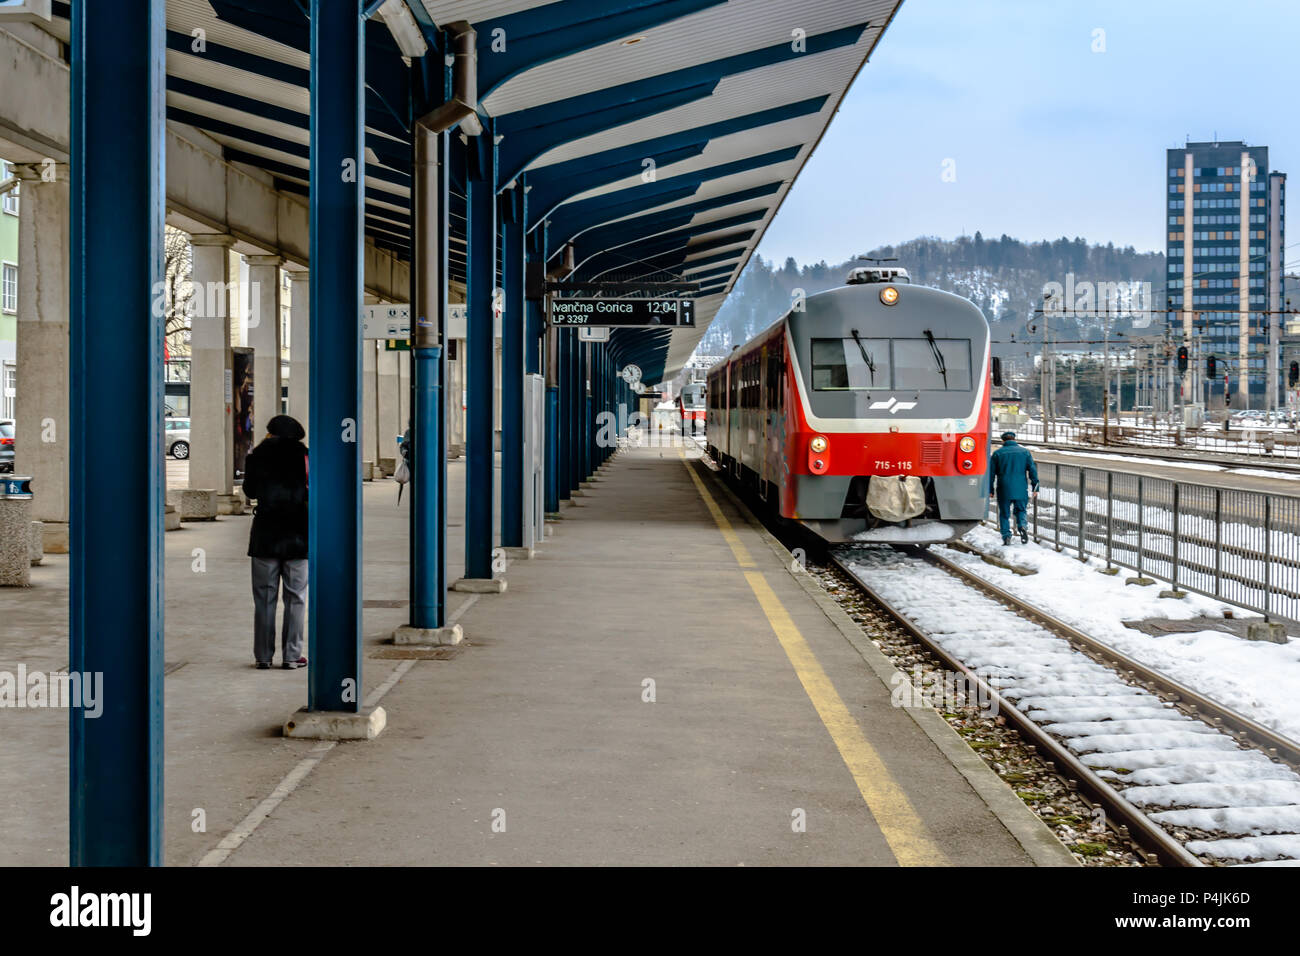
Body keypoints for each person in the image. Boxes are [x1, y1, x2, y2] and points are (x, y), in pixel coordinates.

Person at [242, 414, 309, 670]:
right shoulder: (306, 457)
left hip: (265, 535)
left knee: (264, 598)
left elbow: (250, 491)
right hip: (298, 535)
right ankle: (292, 656)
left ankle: (263, 656)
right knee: (296, 598)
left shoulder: (256, 456)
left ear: (271, 432)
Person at [989, 430, 1039, 546]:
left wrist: (990, 490)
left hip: (1004, 489)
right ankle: (1022, 526)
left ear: (1003, 441)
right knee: (1021, 510)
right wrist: (1035, 487)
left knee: (1004, 514)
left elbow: (991, 474)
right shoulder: (1025, 452)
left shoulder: (997, 454)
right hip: (1021, 488)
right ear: (1014, 439)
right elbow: (1032, 471)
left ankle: (1006, 536)